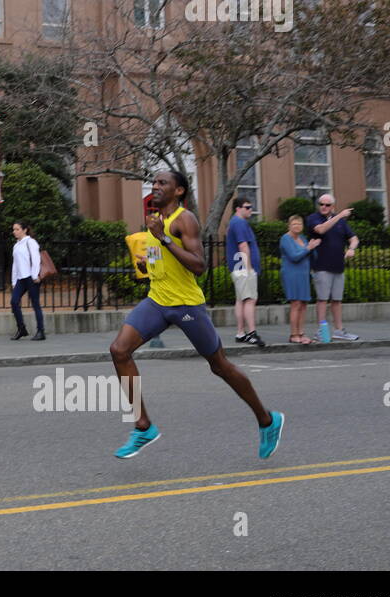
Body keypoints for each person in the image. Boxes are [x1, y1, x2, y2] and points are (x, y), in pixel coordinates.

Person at [109, 170, 284, 460]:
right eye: (154, 182)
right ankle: (143, 426)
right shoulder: (157, 222)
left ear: (179, 191)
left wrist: (163, 239)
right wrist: (147, 261)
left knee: (219, 365)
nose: (156, 186)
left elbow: (199, 265)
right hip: (157, 301)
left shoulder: (183, 219)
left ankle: (267, 420)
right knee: (119, 350)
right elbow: (161, 262)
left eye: (163, 182)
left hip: (186, 306)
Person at [305, 194, 360, 340]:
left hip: (338, 266)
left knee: (337, 300)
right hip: (321, 266)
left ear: (332, 206)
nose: (323, 207)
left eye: (327, 205)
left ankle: (339, 330)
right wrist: (340, 215)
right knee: (322, 299)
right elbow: (321, 230)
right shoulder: (313, 218)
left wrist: (352, 248)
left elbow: (354, 238)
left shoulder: (341, 222)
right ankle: (321, 330)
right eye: (321, 204)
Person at [225, 196, 264, 346]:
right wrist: (248, 268)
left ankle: (241, 333)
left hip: (237, 267)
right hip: (243, 268)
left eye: (251, 207)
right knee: (249, 299)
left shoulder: (234, 223)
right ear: (238, 209)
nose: (250, 210)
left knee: (241, 300)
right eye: (247, 207)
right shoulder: (239, 223)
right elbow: (243, 246)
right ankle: (252, 333)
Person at [279, 215, 320, 344]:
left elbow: (312, 255)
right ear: (289, 226)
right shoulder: (285, 239)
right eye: (294, 224)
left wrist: (313, 247)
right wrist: (309, 248)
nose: (297, 226)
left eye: (299, 224)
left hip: (303, 274)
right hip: (291, 274)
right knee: (295, 304)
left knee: (303, 304)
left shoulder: (302, 238)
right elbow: (294, 256)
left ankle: (301, 333)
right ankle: (293, 334)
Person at [9, 221, 45, 341]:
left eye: (17, 229)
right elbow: (15, 264)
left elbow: (36, 260)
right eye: (14, 229)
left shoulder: (31, 242)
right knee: (14, 302)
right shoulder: (16, 245)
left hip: (31, 278)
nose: (14, 232)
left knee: (35, 304)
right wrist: (14, 281)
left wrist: (35, 275)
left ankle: (41, 332)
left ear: (24, 230)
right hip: (20, 279)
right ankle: (22, 329)